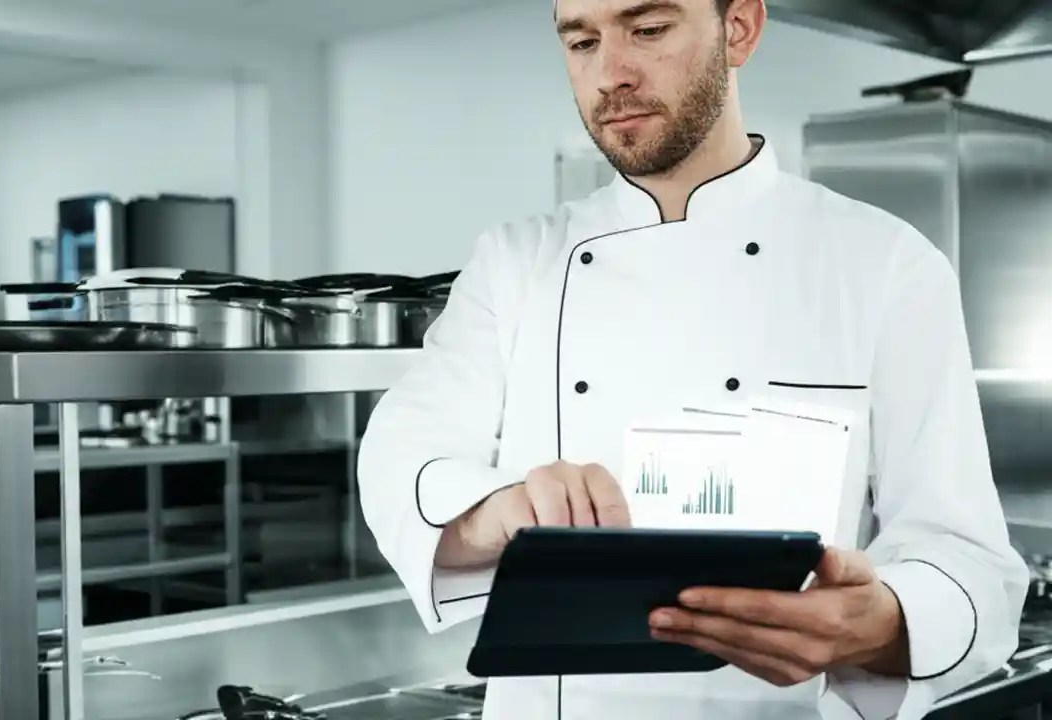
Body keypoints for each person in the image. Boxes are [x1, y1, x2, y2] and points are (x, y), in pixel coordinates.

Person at [357, 0, 1027, 717]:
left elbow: (969, 561)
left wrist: (878, 625)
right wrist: (499, 511)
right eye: (582, 41)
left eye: (647, 30)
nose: (610, 73)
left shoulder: (885, 264)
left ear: (738, 30)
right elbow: (400, 462)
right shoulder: (516, 262)